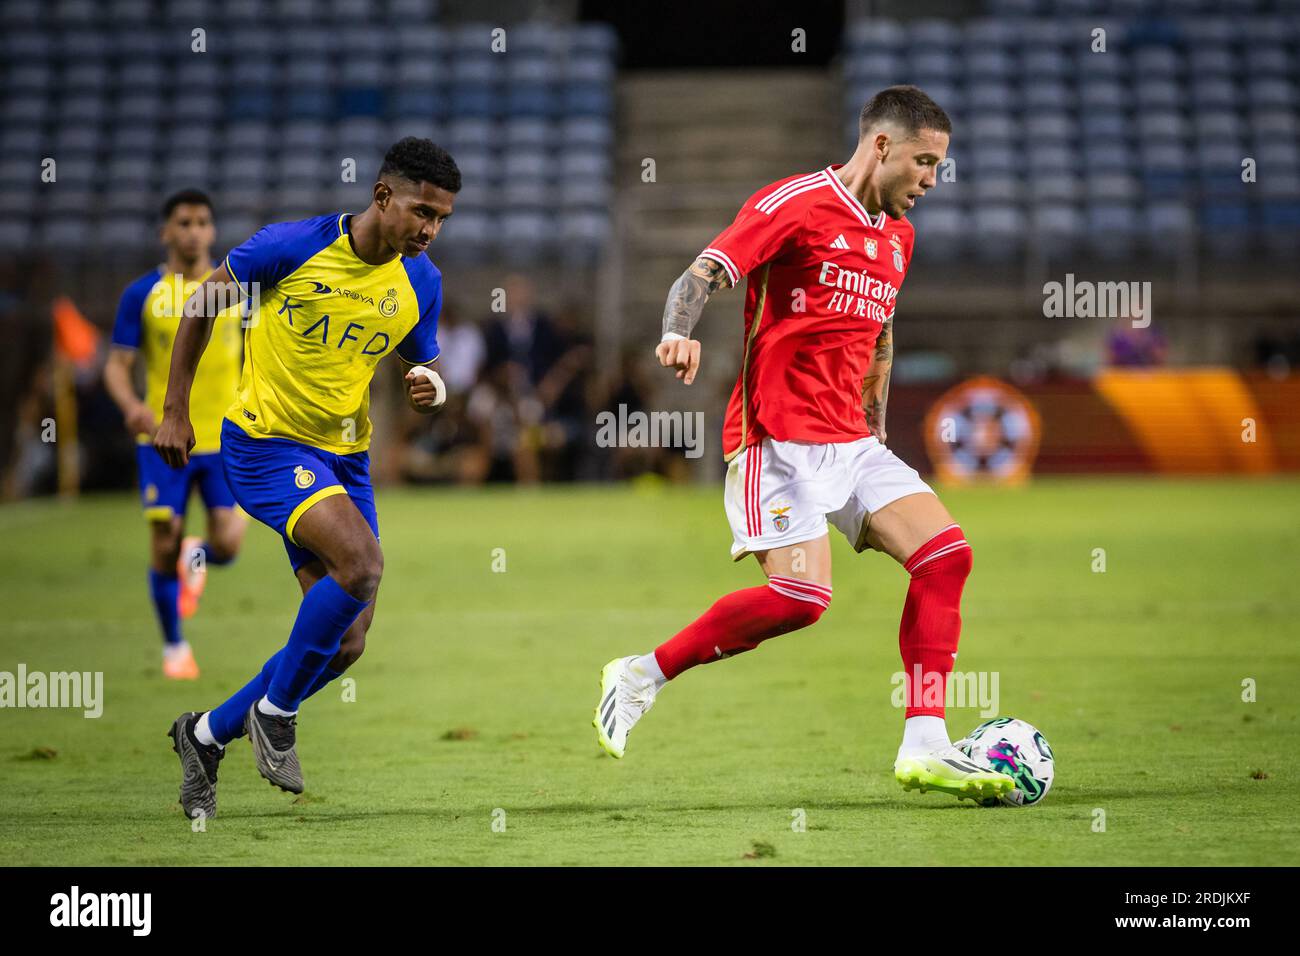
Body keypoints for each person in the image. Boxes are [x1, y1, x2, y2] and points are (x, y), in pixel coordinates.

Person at [593, 86, 1015, 804]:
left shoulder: (898, 238)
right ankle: (640, 675)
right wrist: (677, 329)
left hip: (851, 440)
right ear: (881, 146)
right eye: (924, 161)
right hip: (773, 440)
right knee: (800, 599)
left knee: (947, 558)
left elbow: (879, 330)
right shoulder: (795, 203)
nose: (931, 180)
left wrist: (876, 422)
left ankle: (926, 744)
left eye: (939, 167)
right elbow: (705, 271)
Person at [153, 139, 459, 818]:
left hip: (344, 459)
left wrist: (432, 387)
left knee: (347, 641)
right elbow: (203, 305)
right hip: (265, 443)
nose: (429, 229)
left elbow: (432, 369)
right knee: (363, 563)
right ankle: (276, 713)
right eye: (421, 211)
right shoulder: (290, 247)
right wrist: (175, 410)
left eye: (441, 219)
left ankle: (204, 734)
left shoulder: (421, 282)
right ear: (384, 196)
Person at [103, 189, 246, 680]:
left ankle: (198, 554)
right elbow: (117, 366)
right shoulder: (143, 294)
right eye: (183, 222)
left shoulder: (232, 290)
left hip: (227, 438)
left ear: (212, 231)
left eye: (202, 222)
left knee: (227, 544)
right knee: (163, 541)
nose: (193, 231)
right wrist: (132, 406)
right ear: (166, 232)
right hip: (164, 439)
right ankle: (174, 648)